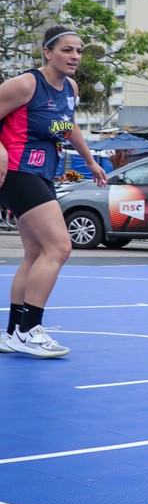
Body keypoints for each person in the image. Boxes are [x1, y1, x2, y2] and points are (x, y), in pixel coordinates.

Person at [0, 26, 108, 358]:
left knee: (35, 254)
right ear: (48, 52)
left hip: (42, 173)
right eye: (67, 50)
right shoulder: (26, 84)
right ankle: (31, 330)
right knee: (59, 247)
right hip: (18, 171)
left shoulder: (69, 88)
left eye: (78, 51)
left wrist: (90, 161)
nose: (75, 56)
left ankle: (13, 332)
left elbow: (67, 125)